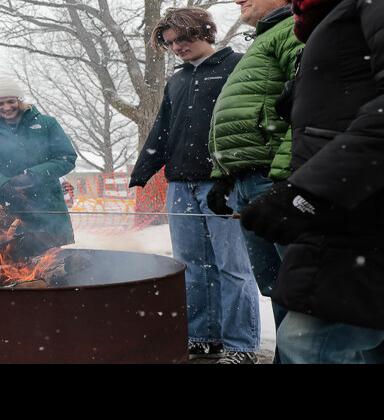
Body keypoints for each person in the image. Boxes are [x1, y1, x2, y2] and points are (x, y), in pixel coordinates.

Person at [241, 0, 384, 363]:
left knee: (308, 342)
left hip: (357, 209)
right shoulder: (328, 19)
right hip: (346, 212)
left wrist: (309, 190)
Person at [130, 7, 258, 364]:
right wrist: (144, 169)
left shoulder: (238, 66)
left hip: (225, 183)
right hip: (181, 183)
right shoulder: (178, 80)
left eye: (183, 39)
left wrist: (239, 170)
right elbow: (163, 127)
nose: (177, 47)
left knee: (232, 266)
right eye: (170, 43)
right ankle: (204, 337)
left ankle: (241, 345)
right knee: (190, 264)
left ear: (205, 31)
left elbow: (250, 119)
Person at [206, 0, 302, 362]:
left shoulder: (294, 29)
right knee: (277, 286)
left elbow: (308, 105)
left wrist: (287, 177)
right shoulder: (264, 37)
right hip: (250, 182)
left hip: (274, 181)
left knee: (298, 288)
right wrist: (225, 177)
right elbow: (249, 115)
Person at [0, 77, 77, 255]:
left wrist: (33, 175)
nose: (6, 107)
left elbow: (66, 158)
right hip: (2, 204)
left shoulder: (46, 124)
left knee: (51, 261)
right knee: (4, 259)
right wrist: (3, 184)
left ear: (19, 100)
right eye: (0, 103)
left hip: (46, 206)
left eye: (11, 101)